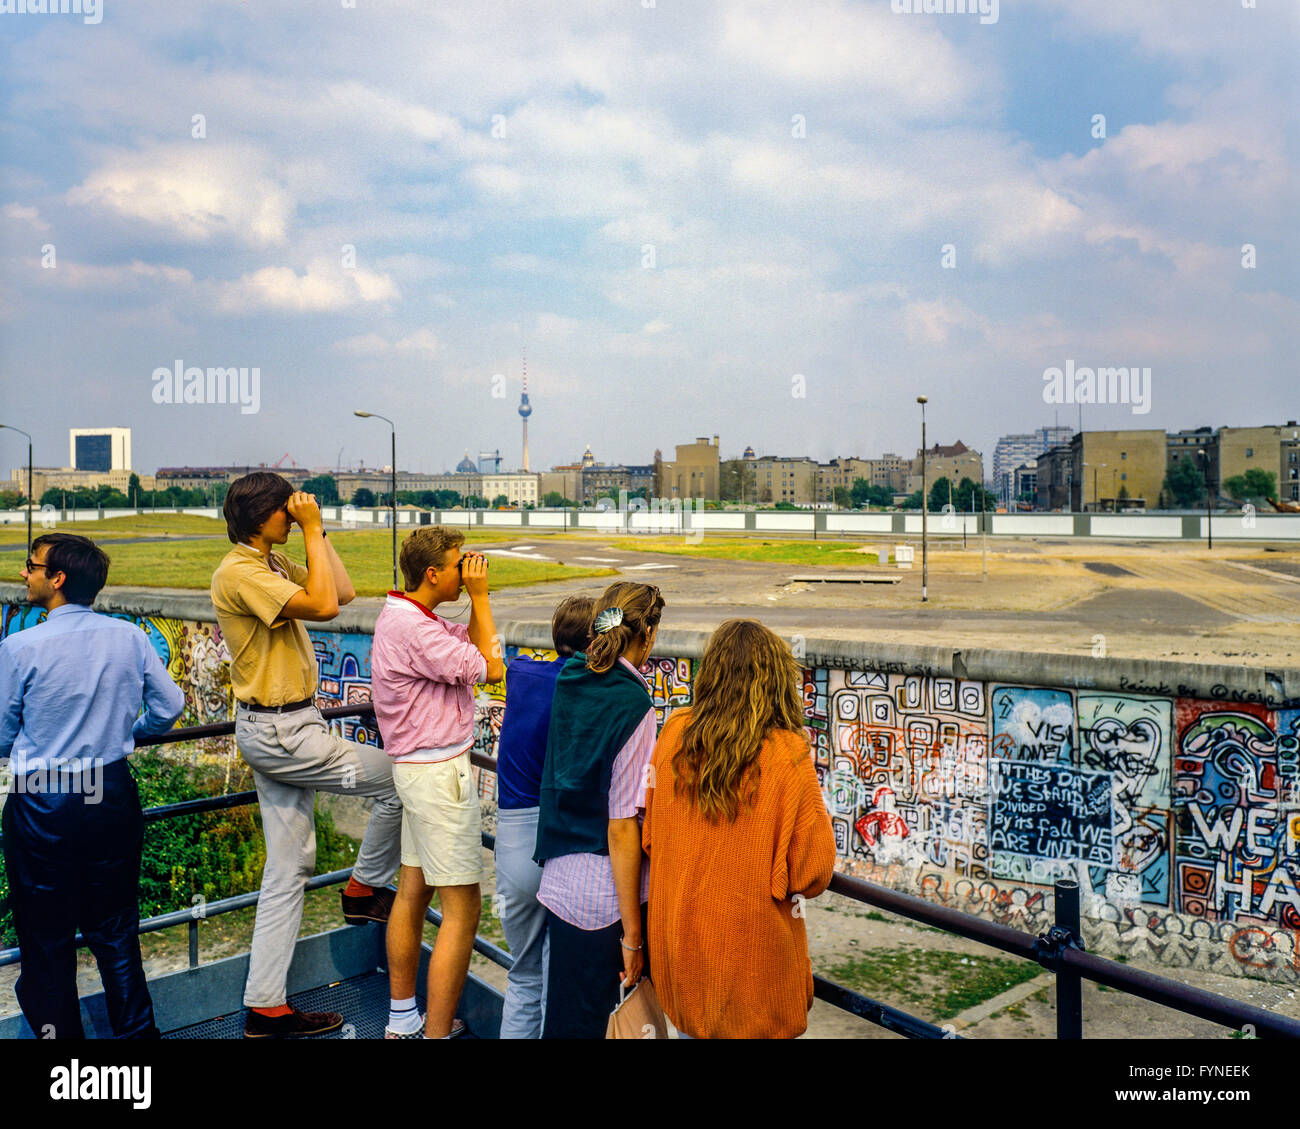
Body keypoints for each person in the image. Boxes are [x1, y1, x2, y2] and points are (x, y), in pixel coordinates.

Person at [210, 472, 402, 1038]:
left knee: (287, 869)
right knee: (398, 781)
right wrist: (313, 527)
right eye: (284, 512)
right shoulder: (241, 571)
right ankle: (364, 888)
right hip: (284, 735)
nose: (291, 520)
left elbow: (340, 592)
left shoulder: (266, 565)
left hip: (288, 726)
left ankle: (265, 1007)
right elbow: (321, 607)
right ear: (258, 515)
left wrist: (319, 531)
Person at [0, 533, 185, 1039]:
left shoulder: (18, 647)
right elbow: (170, 707)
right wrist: (129, 732)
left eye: (30, 565)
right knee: (117, 933)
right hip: (110, 791)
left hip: (43, 800)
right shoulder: (129, 637)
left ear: (56, 579)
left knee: (46, 940)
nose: (24, 573)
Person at [642, 618, 836, 1039]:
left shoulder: (674, 733)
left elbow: (650, 836)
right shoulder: (788, 755)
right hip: (753, 978)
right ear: (778, 680)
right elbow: (812, 871)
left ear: (710, 673)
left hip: (683, 964)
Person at [370, 526, 502, 1039]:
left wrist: (470, 598)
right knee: (464, 910)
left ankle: (404, 1020)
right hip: (439, 777)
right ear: (432, 574)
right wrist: (482, 596)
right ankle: (437, 1033)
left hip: (417, 773)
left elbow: (465, 645)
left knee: (413, 890)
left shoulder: (406, 616)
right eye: (456, 566)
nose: (465, 573)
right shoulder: (417, 630)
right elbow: (489, 666)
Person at [534, 582, 664, 1039]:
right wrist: (632, 935)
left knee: (564, 1020)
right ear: (645, 634)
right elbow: (622, 827)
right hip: (605, 899)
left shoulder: (572, 675)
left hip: (561, 882)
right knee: (598, 1024)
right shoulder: (633, 704)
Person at [492, 594, 595, 1038]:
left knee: (523, 975)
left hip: (512, 838)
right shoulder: (587, 690)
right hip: (558, 841)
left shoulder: (522, 672)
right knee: (560, 982)